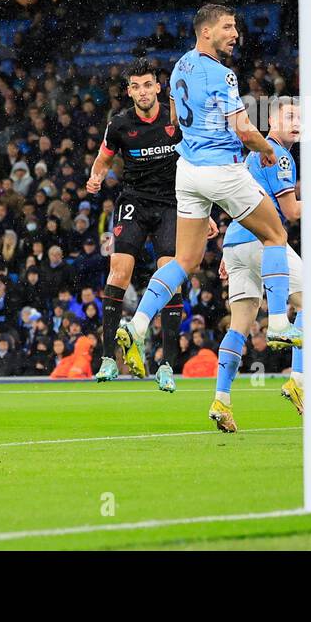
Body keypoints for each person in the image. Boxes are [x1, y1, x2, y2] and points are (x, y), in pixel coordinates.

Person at [122, 5, 296, 434]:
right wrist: (266, 149)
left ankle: (137, 324)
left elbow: (184, 118)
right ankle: (277, 323)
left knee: (185, 259)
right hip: (221, 170)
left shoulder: (181, 64)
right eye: (227, 27)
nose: (235, 33)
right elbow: (242, 130)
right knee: (275, 233)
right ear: (206, 31)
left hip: (188, 171)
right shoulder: (222, 74)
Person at [85, 58, 216, 391]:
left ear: (158, 88)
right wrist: (96, 178)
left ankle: (167, 364)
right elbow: (103, 159)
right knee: (118, 272)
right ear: (129, 91)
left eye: (148, 85)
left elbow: (198, 162)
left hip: (173, 203)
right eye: (135, 86)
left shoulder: (177, 120)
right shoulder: (119, 124)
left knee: (169, 275)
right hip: (134, 201)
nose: (142, 92)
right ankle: (108, 360)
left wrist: (206, 212)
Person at [218, 98, 305, 419]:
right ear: (272, 121)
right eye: (291, 116)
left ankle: (221, 399)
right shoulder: (278, 155)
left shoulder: (250, 156)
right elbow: (291, 212)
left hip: (235, 243)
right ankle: (298, 380)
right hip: (262, 242)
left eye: (301, 117)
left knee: (239, 325)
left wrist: (230, 249)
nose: (298, 122)